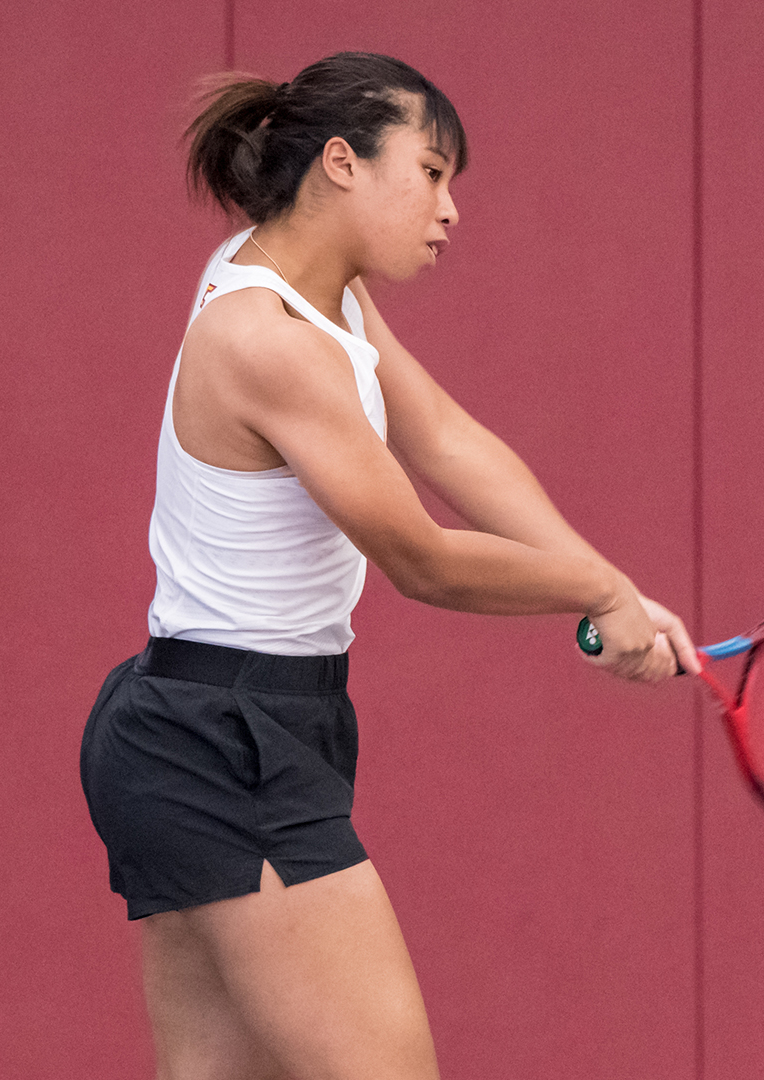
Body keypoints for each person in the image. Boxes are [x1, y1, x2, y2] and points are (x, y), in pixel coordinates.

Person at [80, 51, 694, 1080]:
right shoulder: (265, 338)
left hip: (211, 726)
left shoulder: (314, 294)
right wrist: (594, 593)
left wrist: (612, 582)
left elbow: (448, 440)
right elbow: (420, 557)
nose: (451, 208)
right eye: (434, 171)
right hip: (225, 738)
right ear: (341, 163)